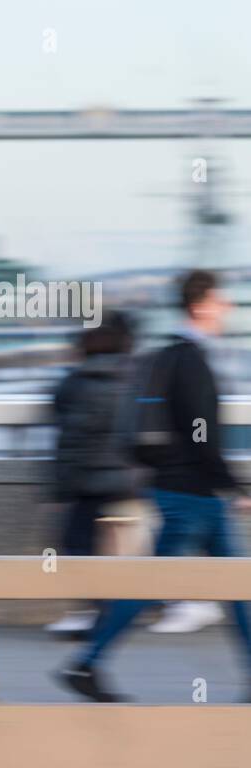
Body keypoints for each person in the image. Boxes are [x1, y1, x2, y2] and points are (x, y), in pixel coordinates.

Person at [60, 270, 251, 702]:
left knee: (237, 585)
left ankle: (87, 662)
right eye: (221, 301)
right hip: (191, 493)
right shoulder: (193, 358)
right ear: (200, 305)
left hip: (183, 488)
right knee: (159, 584)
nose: (228, 308)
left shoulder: (170, 354)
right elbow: (200, 431)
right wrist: (234, 486)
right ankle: (86, 662)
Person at [44, 311, 141, 637]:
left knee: (75, 544)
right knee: (117, 549)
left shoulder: (75, 383)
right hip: (128, 482)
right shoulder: (134, 378)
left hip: (90, 483)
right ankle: (110, 610)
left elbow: (70, 442)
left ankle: (101, 612)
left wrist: (59, 491)